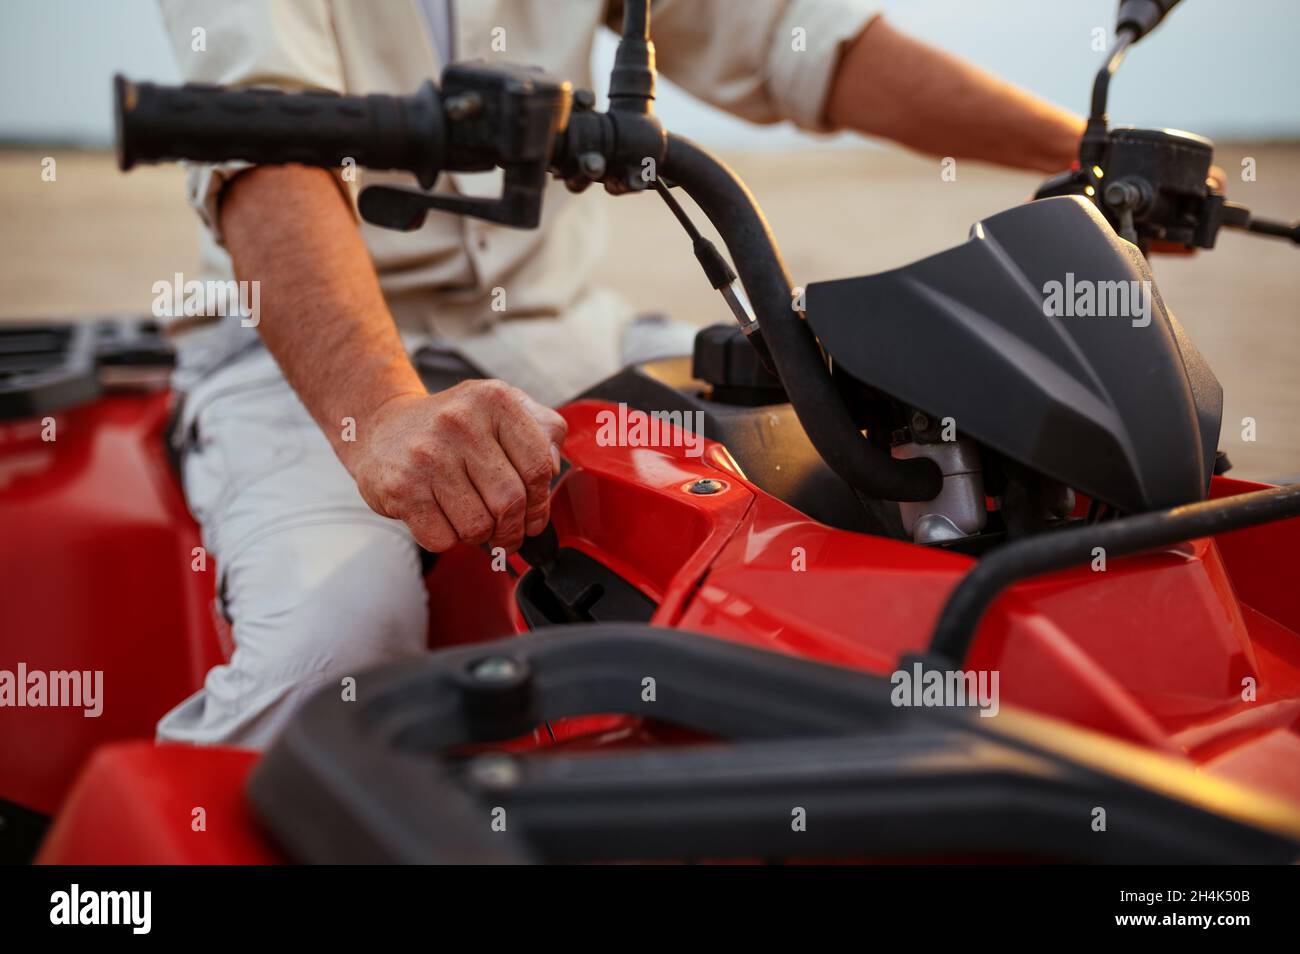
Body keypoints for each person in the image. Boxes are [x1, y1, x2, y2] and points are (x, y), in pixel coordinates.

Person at [153, 0, 1086, 747]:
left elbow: (789, 39)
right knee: (333, 650)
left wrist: (1080, 150)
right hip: (300, 354)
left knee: (841, 476)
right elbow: (266, 144)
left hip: (555, 326)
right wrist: (384, 413)